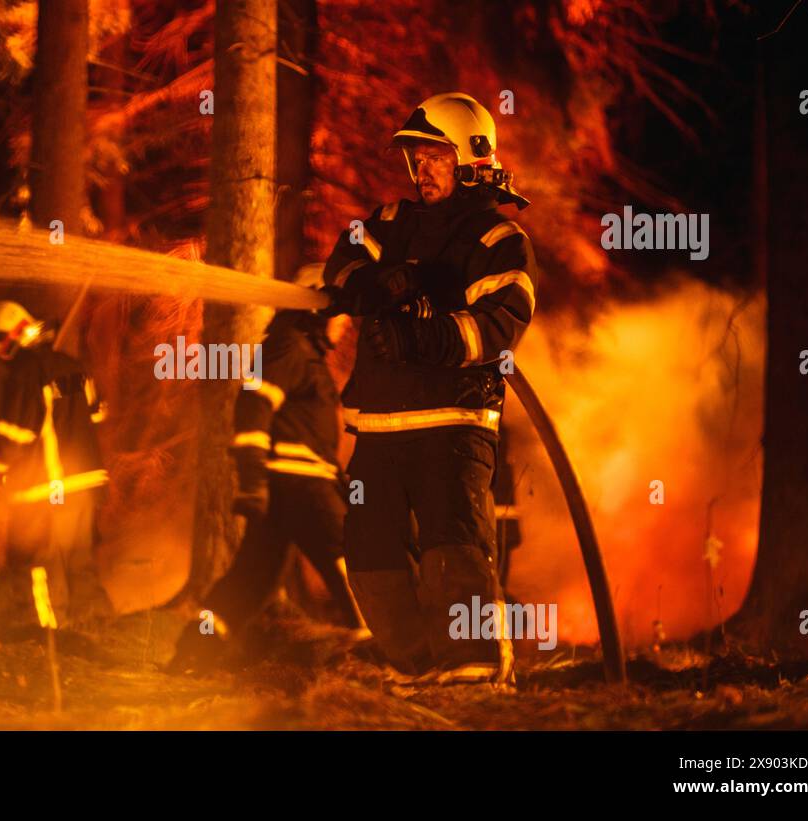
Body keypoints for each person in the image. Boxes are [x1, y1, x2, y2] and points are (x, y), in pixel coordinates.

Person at [320, 92, 538, 684]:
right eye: (414, 157)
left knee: (454, 551)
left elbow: (499, 324)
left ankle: (472, 669)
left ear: (471, 156)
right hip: (380, 425)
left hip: (454, 423)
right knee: (367, 555)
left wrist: (422, 340)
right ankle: (419, 666)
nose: (420, 169)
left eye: (433, 156)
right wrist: (366, 282)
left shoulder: (496, 239)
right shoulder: (389, 223)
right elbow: (338, 267)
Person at [168, 266, 368, 673]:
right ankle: (379, 646)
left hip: (291, 484)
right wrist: (253, 479)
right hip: (298, 484)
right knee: (352, 556)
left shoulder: (300, 350)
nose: (345, 323)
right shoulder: (290, 348)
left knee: (250, 579)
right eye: (340, 313)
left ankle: (193, 653)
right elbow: (253, 407)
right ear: (316, 308)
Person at [0, 299, 113, 626]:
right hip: (84, 488)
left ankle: (48, 642)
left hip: (46, 492)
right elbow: (98, 413)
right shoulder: (71, 367)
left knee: (40, 568)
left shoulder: (25, 373)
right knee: (79, 562)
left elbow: (16, 437)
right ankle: (95, 627)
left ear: (2, 342)